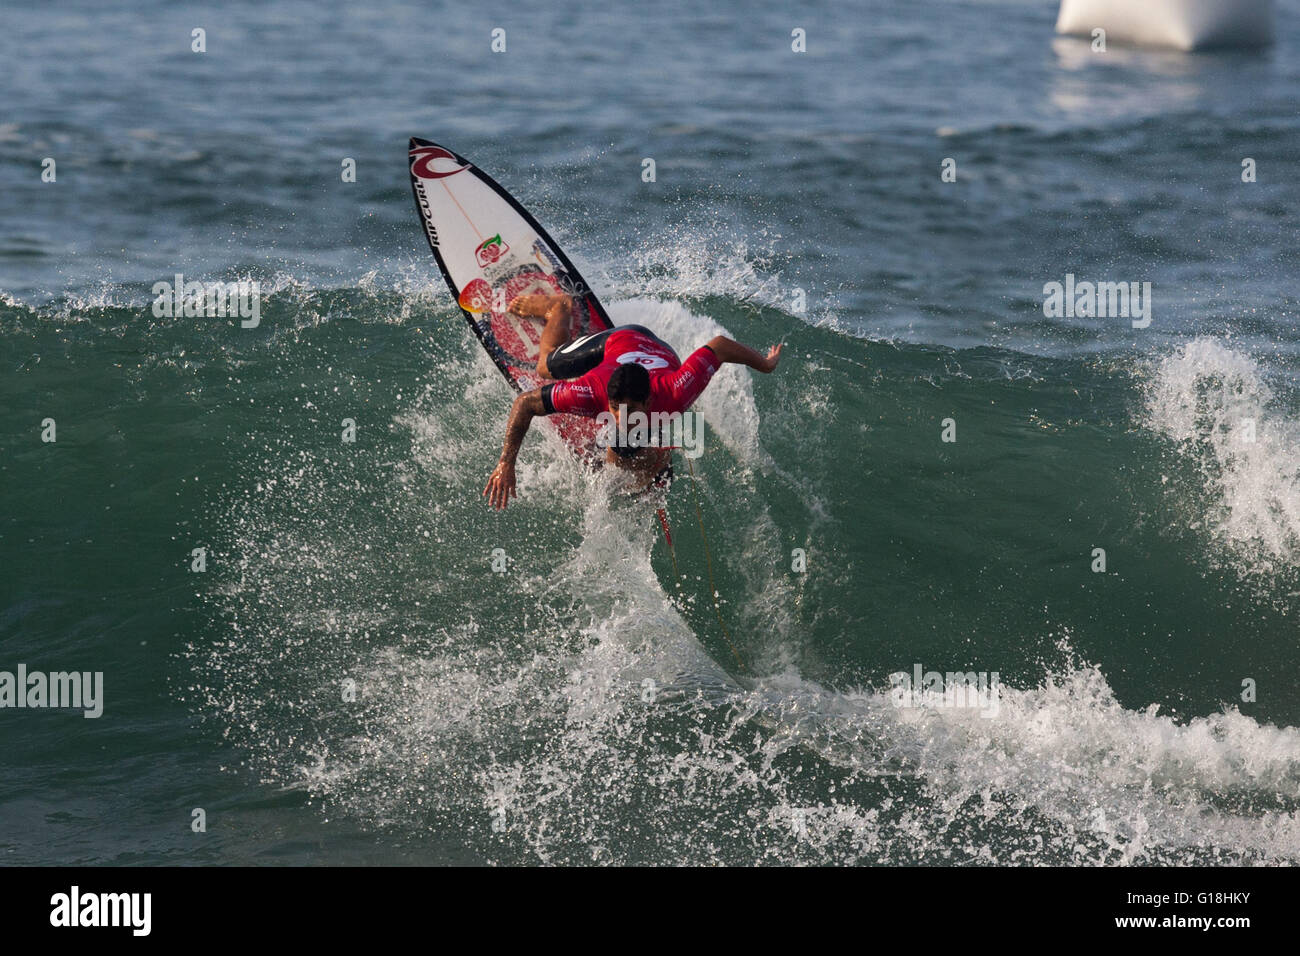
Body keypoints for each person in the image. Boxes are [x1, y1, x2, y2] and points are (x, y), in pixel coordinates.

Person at [483, 292, 783, 509]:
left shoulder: (676, 391)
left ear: (649, 400)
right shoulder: (590, 391)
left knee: (644, 450)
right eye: (616, 411)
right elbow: (525, 404)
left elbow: (719, 347)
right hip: (618, 341)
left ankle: (645, 469)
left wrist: (765, 365)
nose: (621, 418)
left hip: (658, 350)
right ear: (608, 401)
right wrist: (506, 463)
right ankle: (558, 305)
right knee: (545, 367)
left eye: (631, 412)